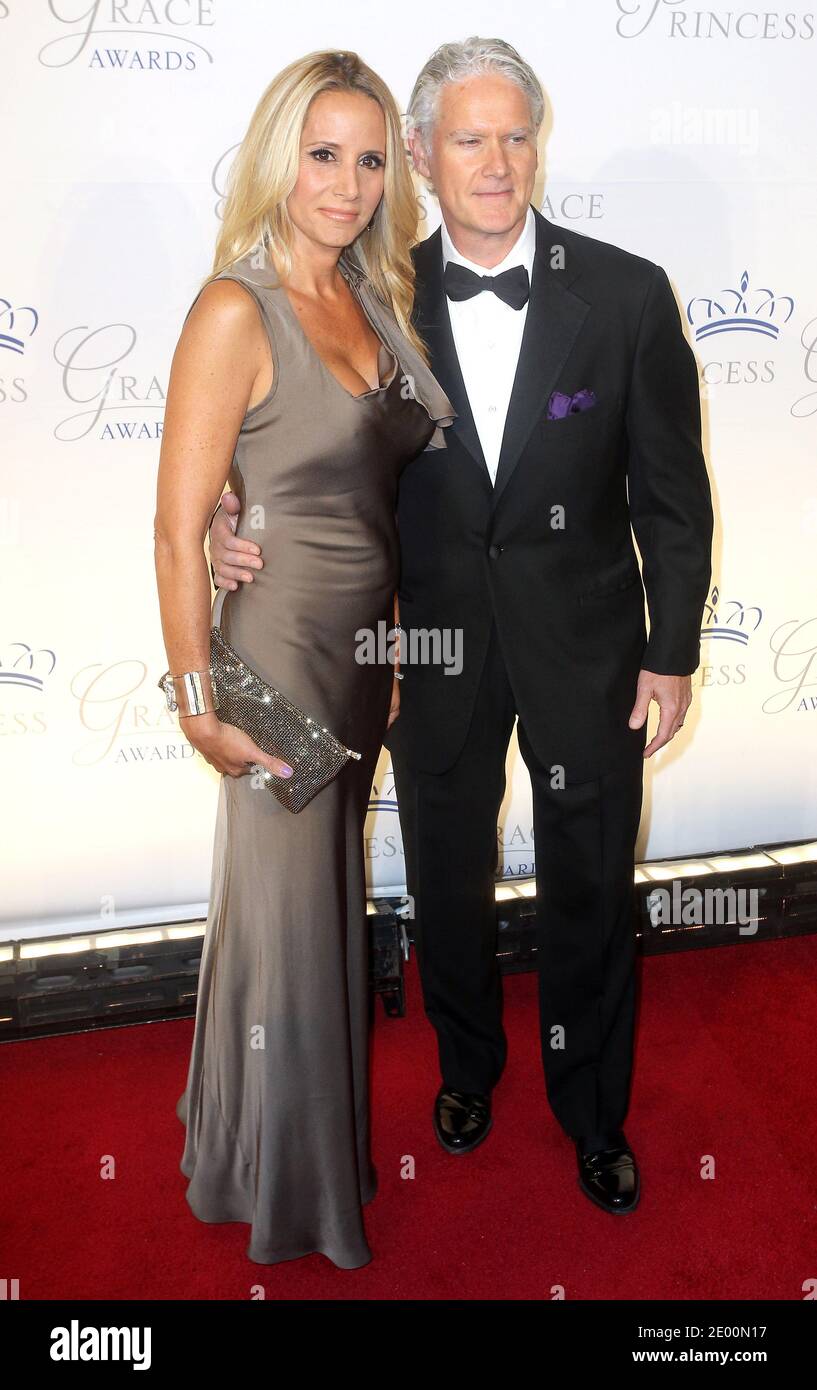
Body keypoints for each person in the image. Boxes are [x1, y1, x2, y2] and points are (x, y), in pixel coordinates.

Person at [209, 36, 714, 1217]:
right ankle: (466, 1068)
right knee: (445, 876)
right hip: (423, 649)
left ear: (539, 144)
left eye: (516, 134)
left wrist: (672, 646)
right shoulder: (371, 298)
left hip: (588, 645)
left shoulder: (628, 293)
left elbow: (669, 492)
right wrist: (233, 515)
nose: (497, 162)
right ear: (424, 157)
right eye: (468, 138)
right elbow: (318, 463)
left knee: (591, 885)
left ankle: (593, 1110)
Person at [154, 49, 454, 1269]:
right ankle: (291, 1197)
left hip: (360, 660)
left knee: (307, 919)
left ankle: (239, 1144)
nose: (347, 183)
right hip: (272, 668)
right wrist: (191, 701)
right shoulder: (237, 307)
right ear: (281, 157)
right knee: (290, 926)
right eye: (323, 154)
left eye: (371, 158)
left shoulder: (373, 294)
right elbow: (178, 527)